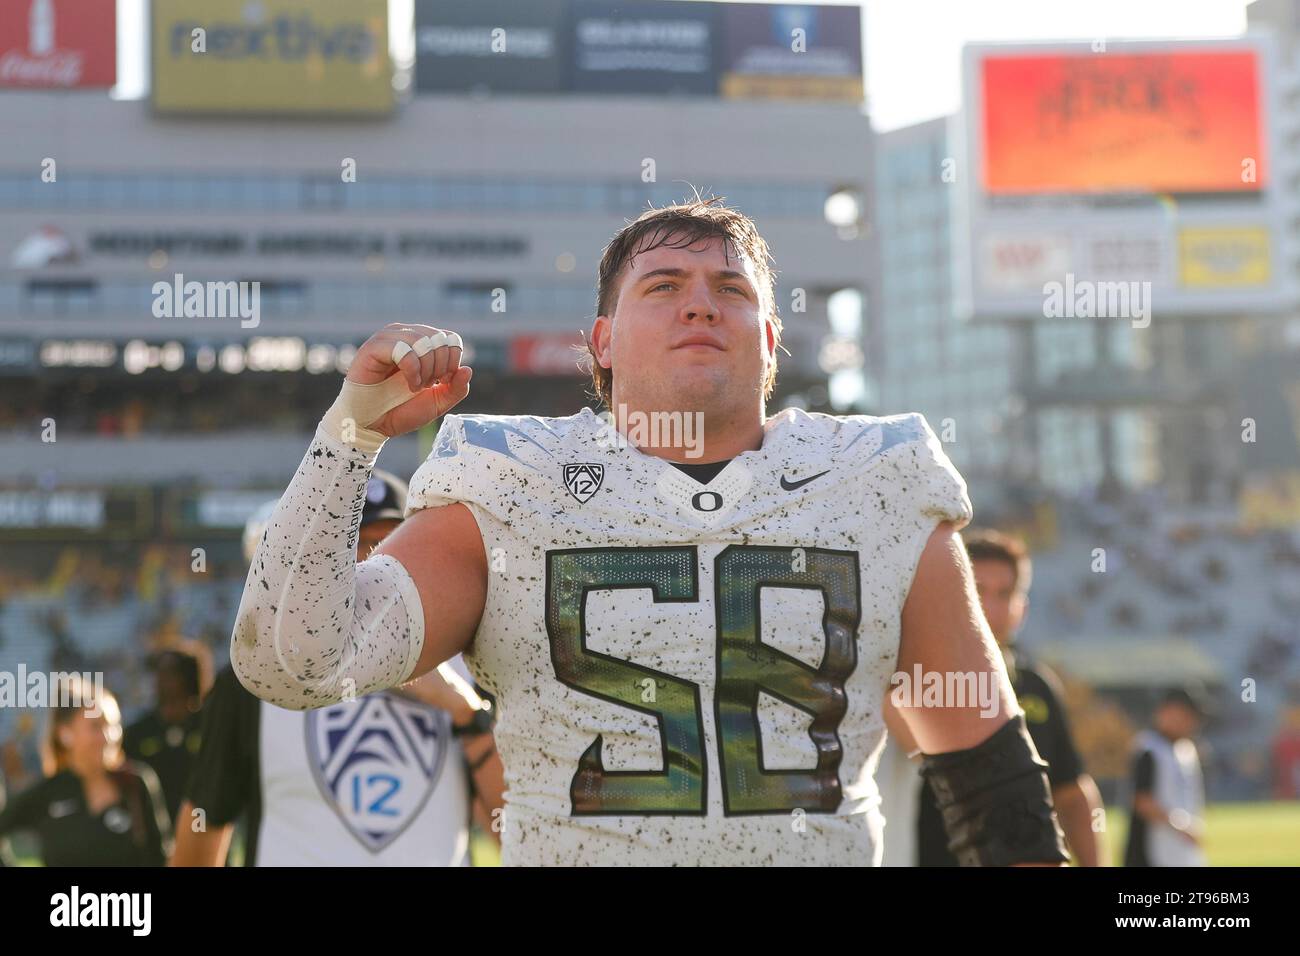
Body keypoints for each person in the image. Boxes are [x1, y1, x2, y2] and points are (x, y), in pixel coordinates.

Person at [229, 198, 1069, 866]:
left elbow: (986, 770)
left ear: (770, 342)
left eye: (731, 291)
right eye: (663, 286)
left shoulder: (874, 483)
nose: (700, 304)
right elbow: (295, 662)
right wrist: (351, 432)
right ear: (601, 341)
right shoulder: (509, 484)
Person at [172, 469, 505, 866]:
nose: (369, 563)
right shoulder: (256, 678)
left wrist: (463, 712)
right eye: (350, 546)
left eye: (389, 546)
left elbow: (519, 839)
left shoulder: (472, 666)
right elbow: (201, 835)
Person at [884, 531, 1106, 865]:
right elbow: (921, 748)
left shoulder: (1037, 686)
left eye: (1005, 593)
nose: (988, 607)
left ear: (1023, 608)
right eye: (976, 591)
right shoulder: (911, 681)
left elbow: (1071, 792)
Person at [0, 677, 171, 866]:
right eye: (95, 726)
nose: (108, 736)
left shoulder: (136, 782)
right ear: (65, 733)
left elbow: (162, 857)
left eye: (112, 725)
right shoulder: (48, 793)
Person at [1124, 688, 1209, 867]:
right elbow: (1142, 801)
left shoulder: (1186, 750)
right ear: (1166, 712)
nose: (1191, 723)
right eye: (1186, 715)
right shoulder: (1149, 750)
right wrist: (1180, 825)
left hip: (1180, 851)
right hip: (1150, 853)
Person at [123, 647, 206, 823]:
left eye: (169, 672)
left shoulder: (210, 726)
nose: (160, 680)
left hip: (202, 823)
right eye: (157, 672)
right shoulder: (138, 732)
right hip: (155, 828)